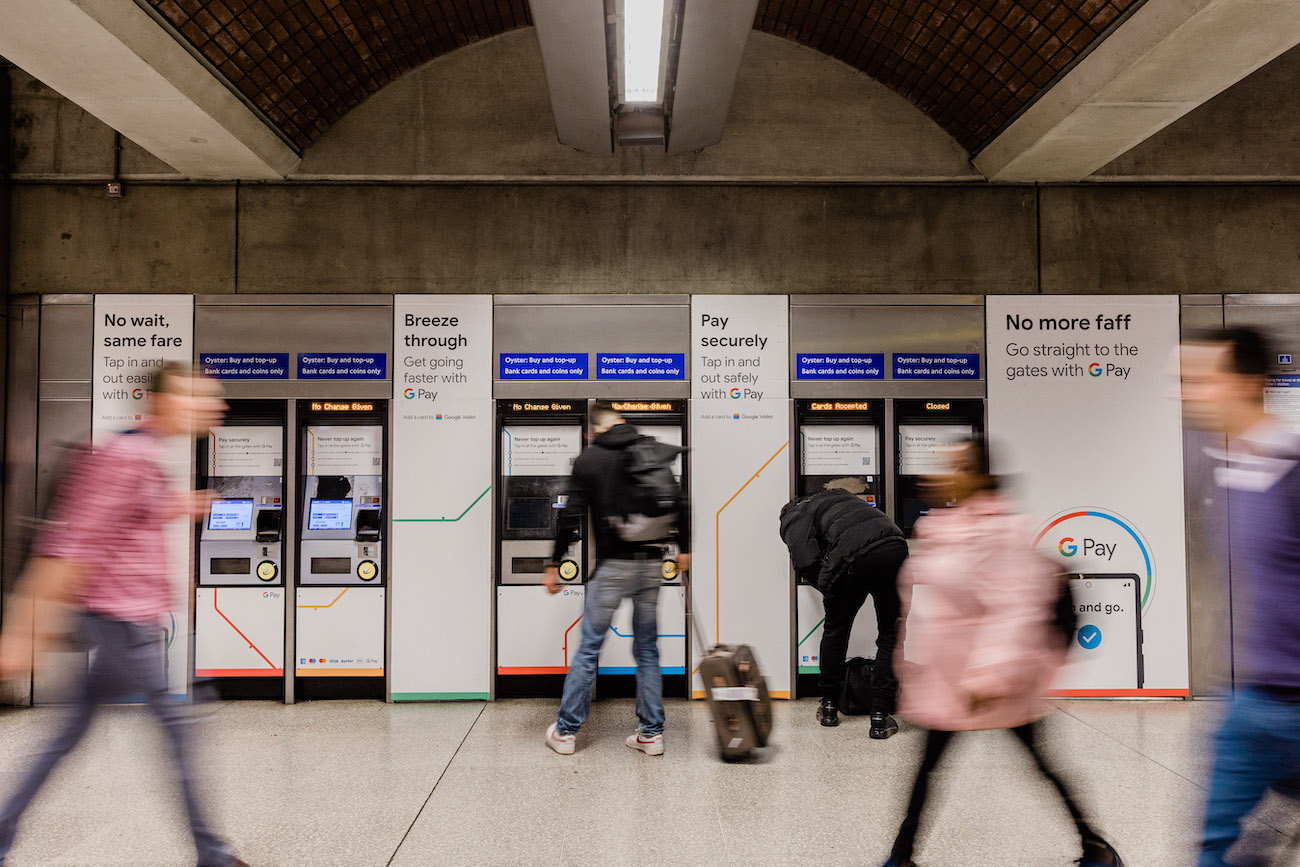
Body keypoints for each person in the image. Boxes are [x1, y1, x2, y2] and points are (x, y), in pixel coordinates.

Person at [0, 362, 246, 867]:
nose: (213, 406)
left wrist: (181, 505)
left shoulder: (146, 452)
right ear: (163, 402)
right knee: (179, 733)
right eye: (198, 396)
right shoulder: (127, 456)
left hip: (126, 623)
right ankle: (213, 854)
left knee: (66, 736)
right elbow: (70, 545)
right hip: (121, 625)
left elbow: (131, 514)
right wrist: (24, 631)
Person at [881, 437, 1122, 867]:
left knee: (1040, 763)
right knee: (930, 768)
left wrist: (987, 677)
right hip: (951, 680)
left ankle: (1096, 848)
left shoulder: (1004, 530)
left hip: (996, 682)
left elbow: (1014, 610)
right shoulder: (943, 527)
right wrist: (912, 664)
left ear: (979, 475)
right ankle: (901, 857)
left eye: (956, 467)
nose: (943, 476)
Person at [1179, 327, 1300, 867]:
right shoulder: (1220, 471)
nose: (1185, 393)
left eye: (1202, 379)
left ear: (1249, 383)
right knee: (1218, 849)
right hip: (1252, 702)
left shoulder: (1293, 471)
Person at [542, 400, 689, 756]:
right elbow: (680, 502)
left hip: (611, 567)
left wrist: (555, 562)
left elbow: (570, 515)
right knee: (647, 649)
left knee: (589, 648)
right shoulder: (648, 449)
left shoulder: (589, 459)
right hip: (651, 564)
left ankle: (565, 733)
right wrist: (683, 549)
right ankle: (651, 734)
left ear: (592, 431)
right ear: (621, 420)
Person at [779, 487, 907, 735]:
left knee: (835, 632)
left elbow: (806, 559)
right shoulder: (840, 495)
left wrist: (828, 586)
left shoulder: (794, 513)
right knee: (891, 636)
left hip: (853, 558)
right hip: (895, 547)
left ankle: (829, 706)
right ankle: (880, 716)